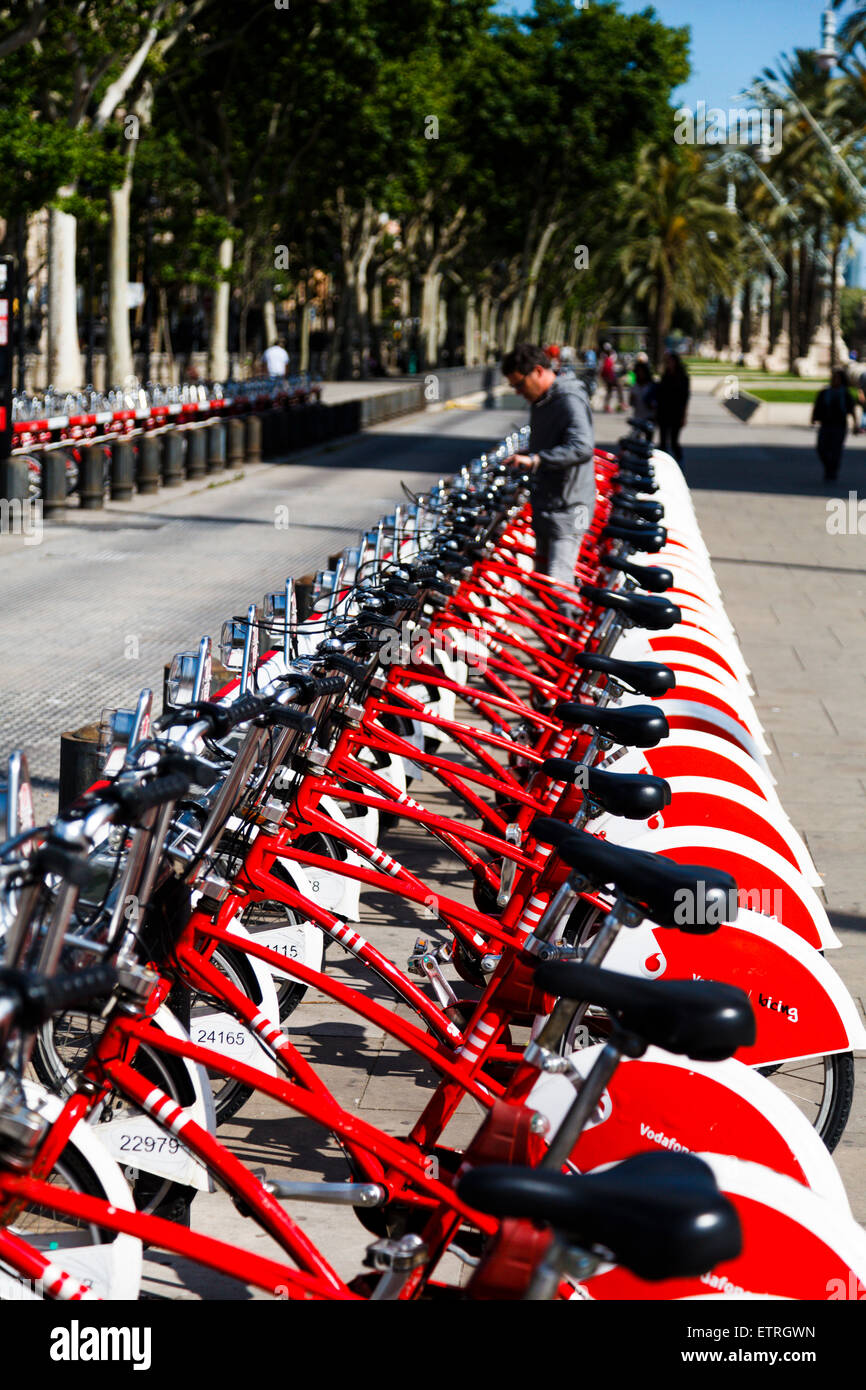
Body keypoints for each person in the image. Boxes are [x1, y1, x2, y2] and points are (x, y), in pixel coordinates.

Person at [502, 342, 595, 616]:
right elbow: (555, 443)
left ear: (538, 371)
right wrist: (528, 456)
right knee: (543, 582)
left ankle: (578, 640)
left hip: (569, 507)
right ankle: (563, 632)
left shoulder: (567, 399)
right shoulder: (543, 400)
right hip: (548, 506)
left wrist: (537, 460)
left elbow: (582, 446)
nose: (518, 392)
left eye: (520, 384)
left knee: (557, 584)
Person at [812, 368, 859, 482]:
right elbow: (817, 406)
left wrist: (855, 424)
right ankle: (829, 467)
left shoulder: (845, 394)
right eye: (833, 378)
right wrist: (813, 418)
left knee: (836, 449)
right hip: (826, 424)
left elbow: (851, 409)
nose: (834, 380)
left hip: (839, 425)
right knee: (821, 448)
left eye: (837, 378)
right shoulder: (824, 392)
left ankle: (832, 471)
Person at [656, 351, 690, 462]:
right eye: (667, 362)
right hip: (663, 412)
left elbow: (685, 398)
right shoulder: (665, 376)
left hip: (676, 412)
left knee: (674, 442)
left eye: (671, 361)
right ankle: (663, 464)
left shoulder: (683, 378)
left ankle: (679, 463)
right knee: (662, 443)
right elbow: (660, 395)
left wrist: (684, 416)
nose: (669, 364)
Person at [629, 359, 657, 424]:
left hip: (650, 417)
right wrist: (632, 399)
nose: (640, 373)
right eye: (638, 371)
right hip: (638, 417)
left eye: (642, 371)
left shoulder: (651, 386)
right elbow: (631, 403)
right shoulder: (634, 386)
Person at [600, 342, 625, 412]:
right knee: (619, 387)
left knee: (610, 390)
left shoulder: (608, 355)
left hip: (608, 376)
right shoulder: (606, 357)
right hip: (610, 375)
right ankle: (621, 403)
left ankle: (606, 405)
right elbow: (608, 367)